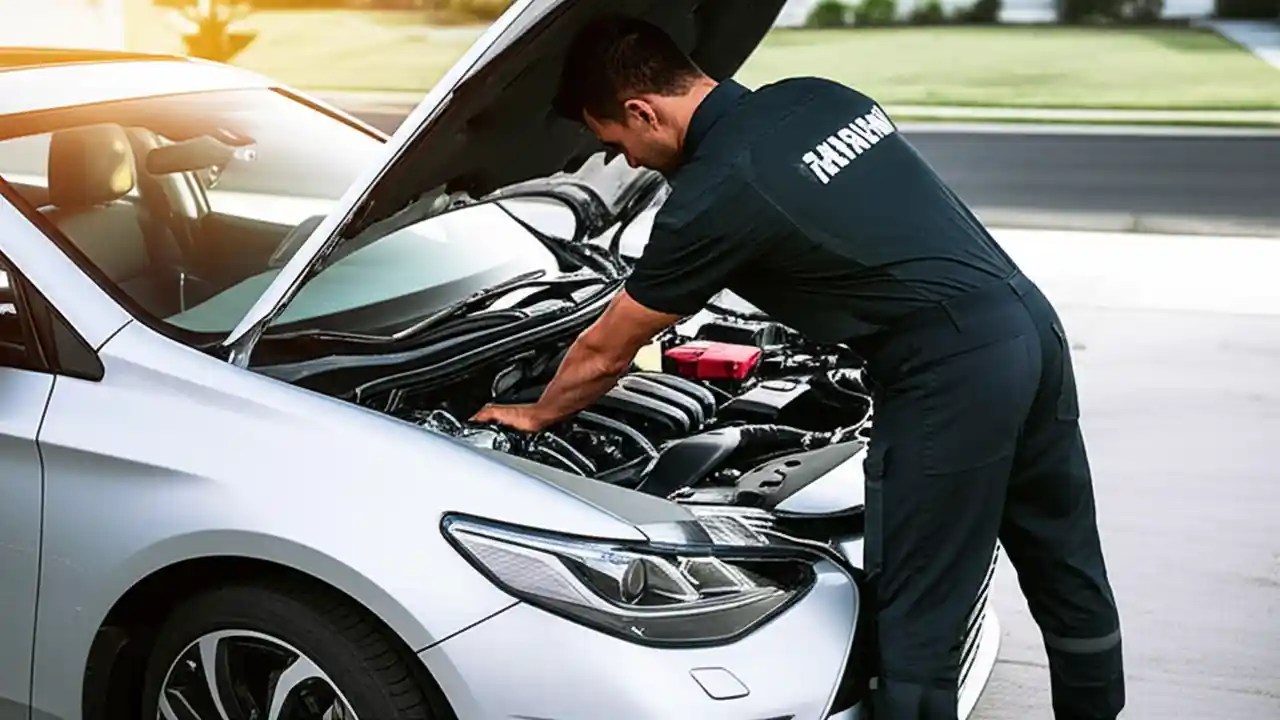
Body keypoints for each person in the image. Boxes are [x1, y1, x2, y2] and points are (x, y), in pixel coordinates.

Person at [472, 15, 1124, 720]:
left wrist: (534, 415)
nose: (626, 161)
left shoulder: (715, 194)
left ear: (641, 111)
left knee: (917, 610)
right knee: (1064, 557)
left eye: (616, 143)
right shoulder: (817, 97)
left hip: (951, 372)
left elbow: (605, 352)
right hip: (1027, 322)